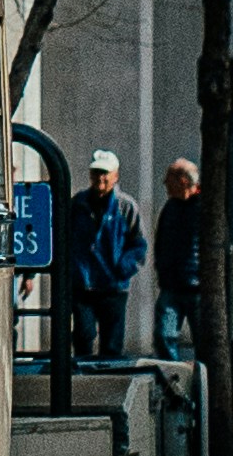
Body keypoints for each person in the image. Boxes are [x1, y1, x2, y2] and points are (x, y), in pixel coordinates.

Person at [67, 149, 149, 364]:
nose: (100, 178)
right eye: (96, 173)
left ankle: (110, 381)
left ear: (115, 176)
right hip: (83, 284)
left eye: (105, 173)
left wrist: (122, 268)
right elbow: (63, 237)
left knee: (112, 343)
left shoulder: (126, 206)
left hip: (113, 287)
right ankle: (83, 382)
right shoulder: (78, 204)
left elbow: (138, 245)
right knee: (83, 336)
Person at [152, 154, 206, 352]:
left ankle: (202, 379)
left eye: (169, 178)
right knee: (163, 335)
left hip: (198, 285)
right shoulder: (170, 208)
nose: (165, 183)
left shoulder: (204, 208)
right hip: (171, 284)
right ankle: (171, 377)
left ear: (183, 180)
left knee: (204, 340)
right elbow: (161, 241)